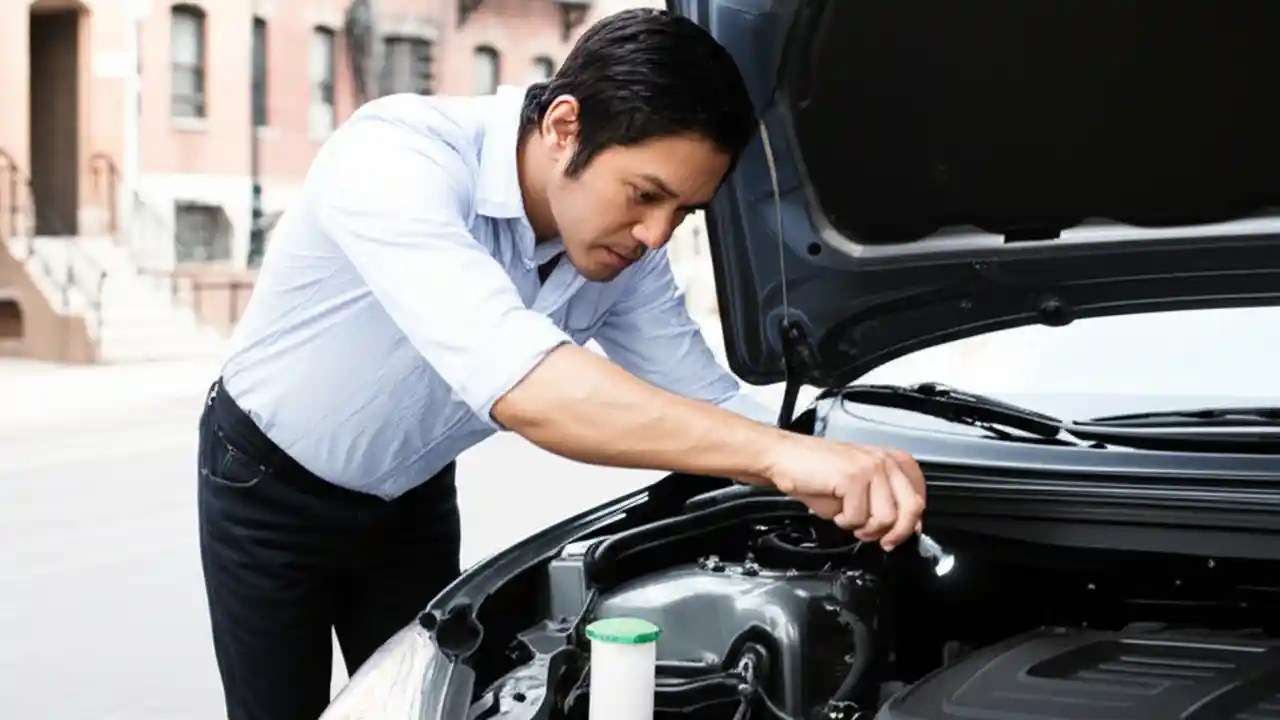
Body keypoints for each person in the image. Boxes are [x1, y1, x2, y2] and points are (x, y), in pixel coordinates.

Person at [197, 8, 927, 720]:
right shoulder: (395, 158)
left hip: (410, 502)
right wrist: (780, 457)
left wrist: (842, 464)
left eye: (683, 213)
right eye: (645, 195)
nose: (654, 234)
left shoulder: (623, 253)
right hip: (268, 486)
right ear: (563, 126)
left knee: (431, 707)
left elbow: (705, 403)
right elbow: (526, 387)